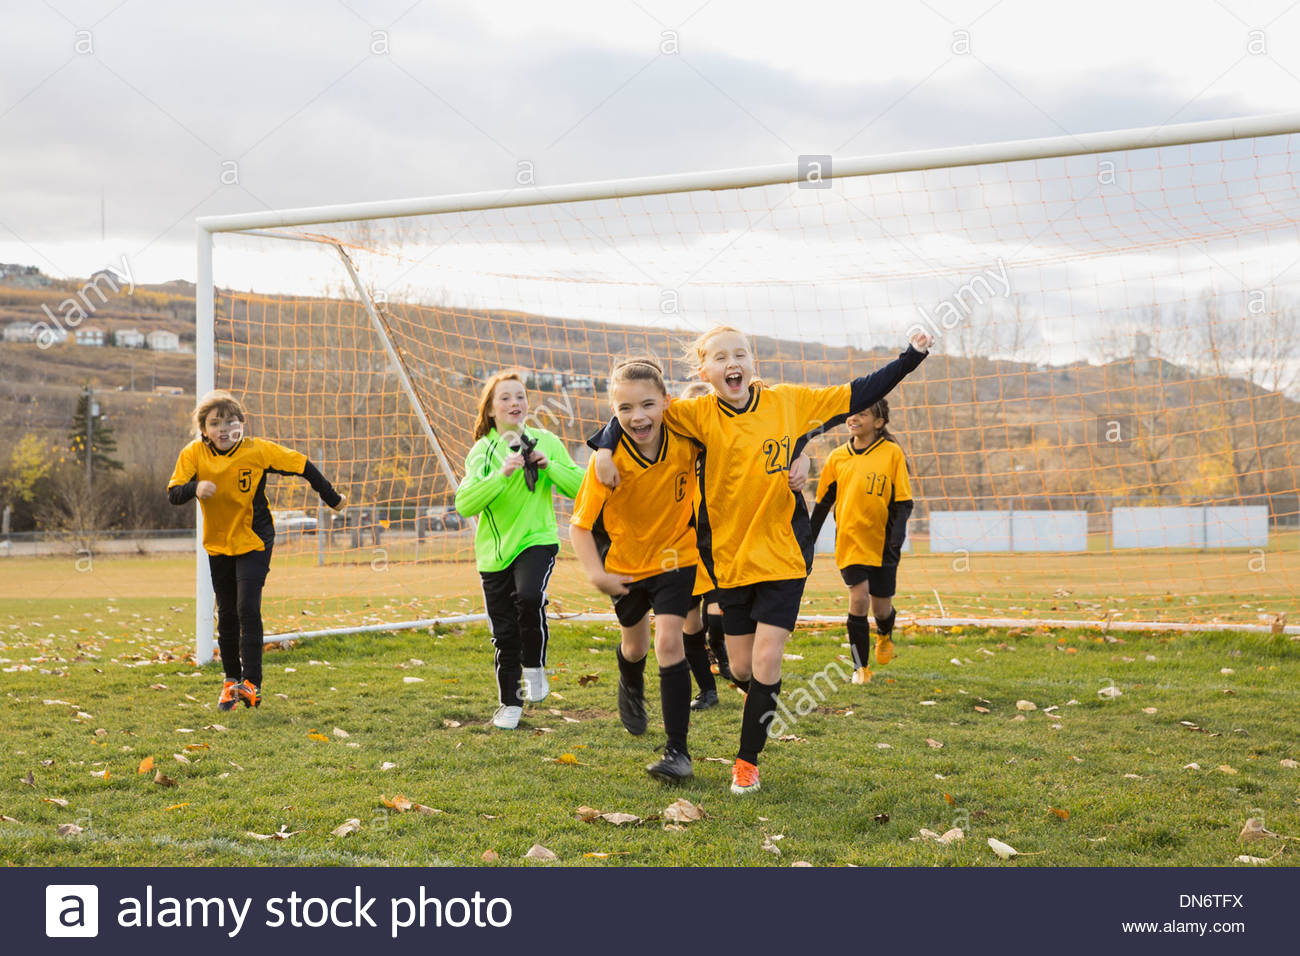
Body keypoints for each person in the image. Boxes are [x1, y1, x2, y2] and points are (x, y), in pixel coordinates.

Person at [590, 326, 931, 794]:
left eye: (741, 354)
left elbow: (858, 393)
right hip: (729, 562)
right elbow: (634, 409)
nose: (732, 363)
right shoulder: (694, 414)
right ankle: (762, 702)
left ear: (752, 363)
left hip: (784, 555)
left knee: (768, 659)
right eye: (720, 357)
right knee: (742, 668)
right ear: (705, 372)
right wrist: (605, 447)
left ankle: (746, 762)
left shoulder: (787, 402)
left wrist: (910, 356)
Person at [168, 390, 344, 711]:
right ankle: (230, 681)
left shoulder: (257, 450)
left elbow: (303, 465)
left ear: (242, 424)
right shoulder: (194, 454)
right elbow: (174, 493)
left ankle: (251, 683)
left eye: (231, 421)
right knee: (228, 614)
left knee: (247, 606)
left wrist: (331, 497)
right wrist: (195, 488)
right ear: (204, 429)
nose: (224, 428)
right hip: (219, 543)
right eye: (215, 423)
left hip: (255, 539)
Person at [570, 358, 701, 781]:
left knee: (668, 642)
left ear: (667, 401)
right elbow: (580, 526)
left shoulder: (686, 436)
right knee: (636, 649)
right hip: (625, 566)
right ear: (613, 410)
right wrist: (596, 573)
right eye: (625, 409)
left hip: (677, 558)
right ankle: (630, 681)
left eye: (647, 405)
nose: (637, 416)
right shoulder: (605, 463)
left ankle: (677, 752)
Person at [454, 370, 585, 730]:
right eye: (505, 398)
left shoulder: (547, 440)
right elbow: (464, 504)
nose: (515, 403)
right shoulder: (482, 452)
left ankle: (535, 667)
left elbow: (581, 488)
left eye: (520, 397)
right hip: (495, 554)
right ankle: (509, 703)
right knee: (504, 630)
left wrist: (551, 465)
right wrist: (501, 476)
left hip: (537, 540)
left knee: (529, 597)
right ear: (492, 410)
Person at [809, 399, 914, 684]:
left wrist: (897, 538)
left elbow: (904, 502)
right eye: (853, 412)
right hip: (850, 542)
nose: (854, 417)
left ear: (878, 423)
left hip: (882, 545)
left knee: (881, 608)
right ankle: (860, 669)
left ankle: (884, 632)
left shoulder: (891, 453)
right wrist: (808, 539)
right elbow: (822, 504)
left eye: (863, 413)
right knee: (858, 600)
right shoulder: (836, 457)